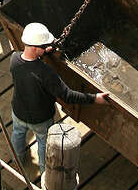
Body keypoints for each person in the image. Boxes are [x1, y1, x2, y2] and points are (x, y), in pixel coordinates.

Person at [10, 22, 108, 168]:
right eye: (43, 46)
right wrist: (94, 98)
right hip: (40, 119)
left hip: (18, 112)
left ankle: (17, 159)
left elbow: (31, 67)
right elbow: (67, 95)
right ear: (36, 48)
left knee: (17, 133)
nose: (45, 48)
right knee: (43, 143)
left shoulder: (14, 59)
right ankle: (45, 172)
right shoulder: (46, 73)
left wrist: (46, 51)